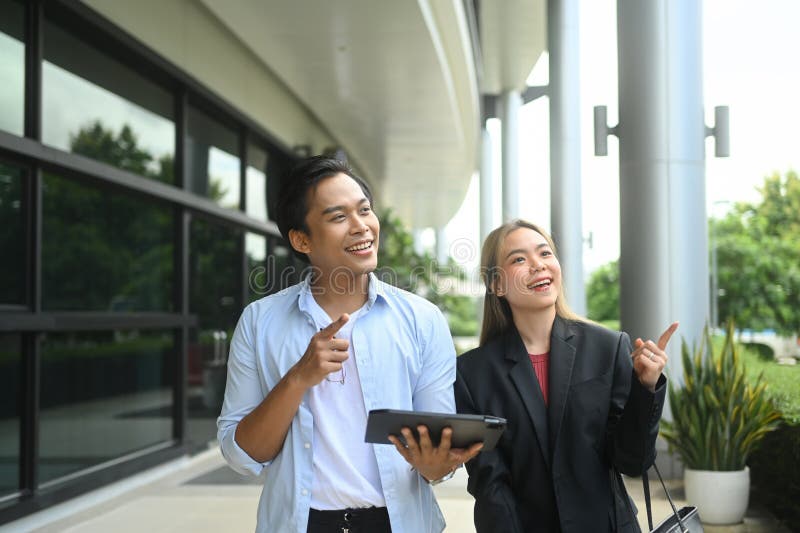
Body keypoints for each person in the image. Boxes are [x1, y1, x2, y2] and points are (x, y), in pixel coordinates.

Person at [217, 155, 481, 533]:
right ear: (301, 239)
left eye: (365, 210)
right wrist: (298, 378)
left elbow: (433, 452)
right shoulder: (260, 322)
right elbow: (241, 456)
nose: (362, 227)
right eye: (338, 217)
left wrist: (440, 465)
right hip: (300, 524)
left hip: (399, 524)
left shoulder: (422, 320)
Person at [455, 219, 678, 533]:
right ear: (497, 285)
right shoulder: (472, 374)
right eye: (519, 259)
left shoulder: (608, 347)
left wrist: (645, 387)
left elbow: (632, 461)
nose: (538, 265)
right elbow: (490, 484)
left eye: (545, 253)